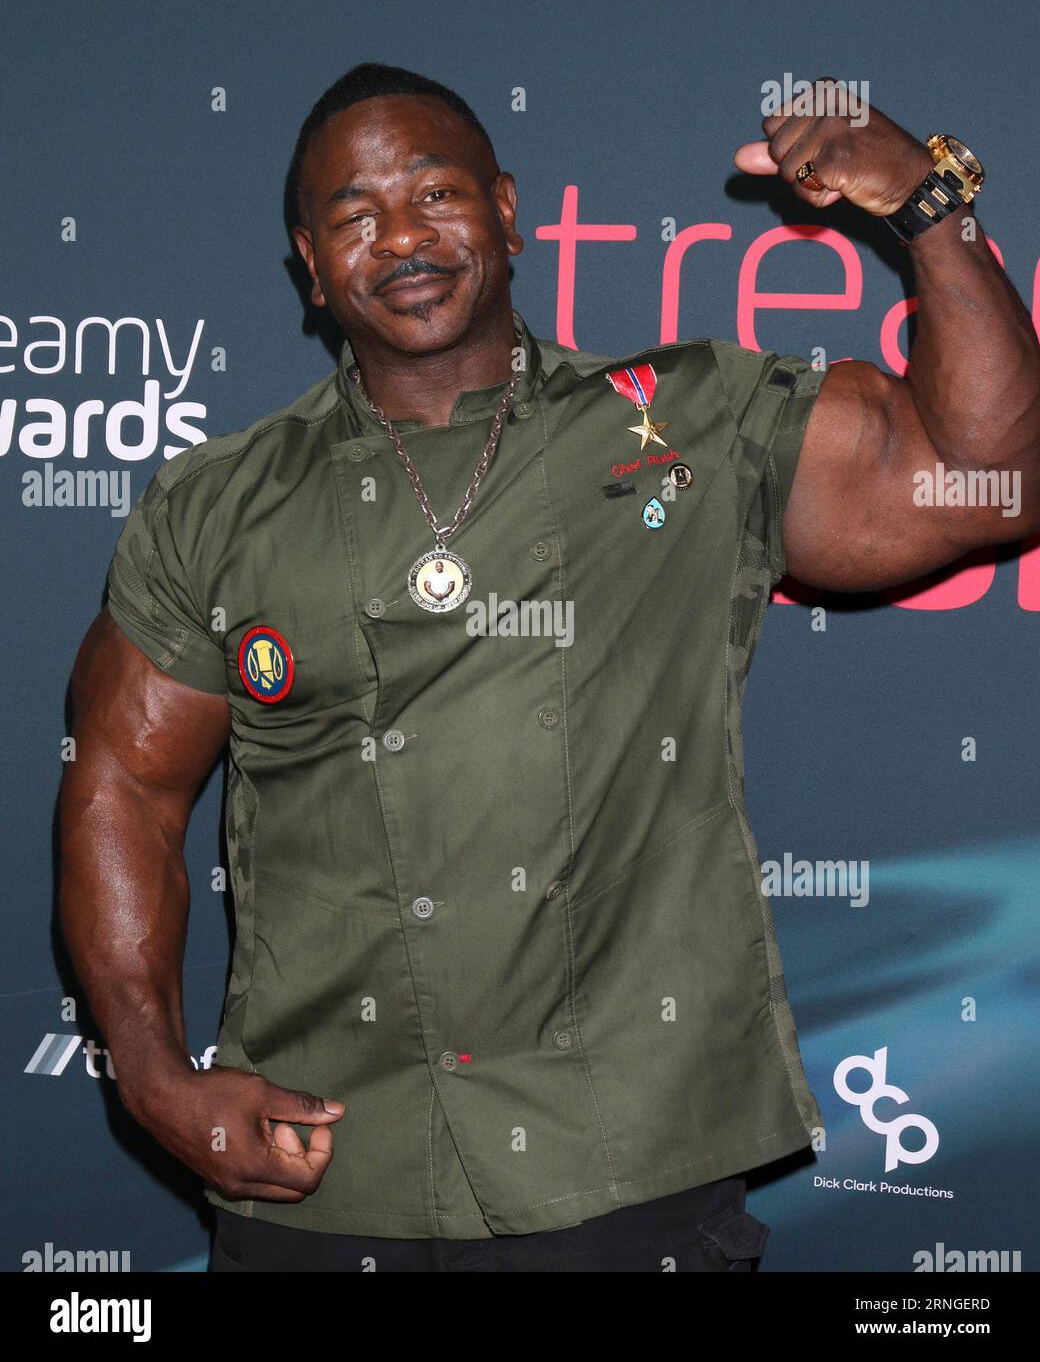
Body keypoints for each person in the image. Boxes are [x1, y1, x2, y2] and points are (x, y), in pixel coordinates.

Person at [59, 62, 1039, 1273]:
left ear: (510, 211)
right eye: (353, 216)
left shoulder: (683, 425)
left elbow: (989, 478)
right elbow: (126, 791)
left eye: (434, 193)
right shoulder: (215, 506)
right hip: (317, 1169)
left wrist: (925, 205)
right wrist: (152, 1073)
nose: (401, 237)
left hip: (616, 1173)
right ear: (310, 264)